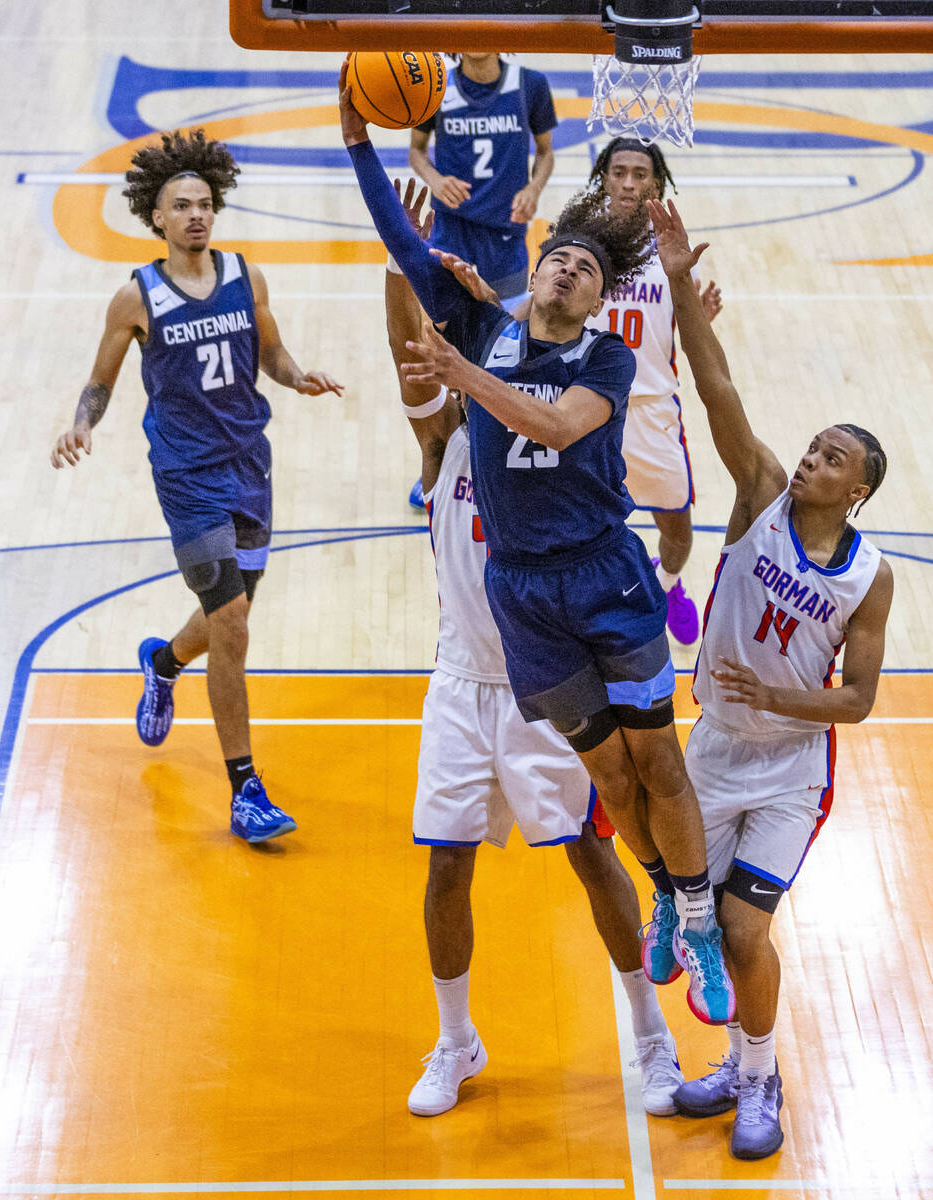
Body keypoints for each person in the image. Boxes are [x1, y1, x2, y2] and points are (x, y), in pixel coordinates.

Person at [341, 65, 736, 1028]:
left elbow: (555, 428)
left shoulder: (603, 357)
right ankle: (664, 893)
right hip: (522, 597)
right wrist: (356, 138)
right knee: (607, 778)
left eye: (584, 267)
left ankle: (700, 920)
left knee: (658, 763)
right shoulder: (484, 322)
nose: (563, 267)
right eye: (555, 256)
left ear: (600, 298)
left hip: (604, 576)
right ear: (537, 266)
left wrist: (464, 369)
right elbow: (405, 245)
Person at [383, 181, 682, 1118]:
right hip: (459, 678)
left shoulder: (547, 401)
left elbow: (540, 408)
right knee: (445, 864)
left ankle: (649, 1031)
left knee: (591, 853)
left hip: (539, 664)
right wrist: (402, 261)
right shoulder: (444, 443)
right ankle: (455, 1040)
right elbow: (420, 339)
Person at [644, 196, 893, 1159]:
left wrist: (769, 697)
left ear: (856, 488)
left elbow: (858, 703)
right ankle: (677, 902)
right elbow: (720, 396)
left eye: (830, 456)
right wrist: (674, 287)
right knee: (663, 861)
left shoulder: (869, 578)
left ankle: (755, 1082)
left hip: (790, 770)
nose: (808, 456)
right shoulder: (757, 495)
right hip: (712, 746)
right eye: (812, 444)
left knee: (748, 934)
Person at [50, 128, 343, 843]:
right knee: (235, 623)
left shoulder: (247, 275)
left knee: (223, 623)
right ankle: (246, 791)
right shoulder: (136, 297)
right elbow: (100, 381)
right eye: (181, 206)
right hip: (187, 478)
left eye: (205, 204)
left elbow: (268, 352)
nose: (196, 215)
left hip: (250, 465)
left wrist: (296, 375)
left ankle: (161, 662)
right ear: (155, 216)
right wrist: (81, 423)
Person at [406, 51, 557, 508]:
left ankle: (498, 453)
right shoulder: (436, 86)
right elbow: (416, 150)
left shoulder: (530, 83)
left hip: (506, 241)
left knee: (505, 355)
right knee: (446, 354)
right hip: (453, 236)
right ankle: (443, 459)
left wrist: (533, 189)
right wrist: (434, 178)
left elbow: (546, 152)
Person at [588, 139, 721, 645]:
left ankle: (666, 587)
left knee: (679, 534)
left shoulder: (673, 250)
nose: (627, 182)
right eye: (618, 172)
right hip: (590, 410)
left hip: (652, 410)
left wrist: (698, 323)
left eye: (639, 174)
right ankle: (596, 611)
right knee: (585, 529)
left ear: (656, 184)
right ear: (603, 178)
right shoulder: (579, 241)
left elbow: (690, 342)